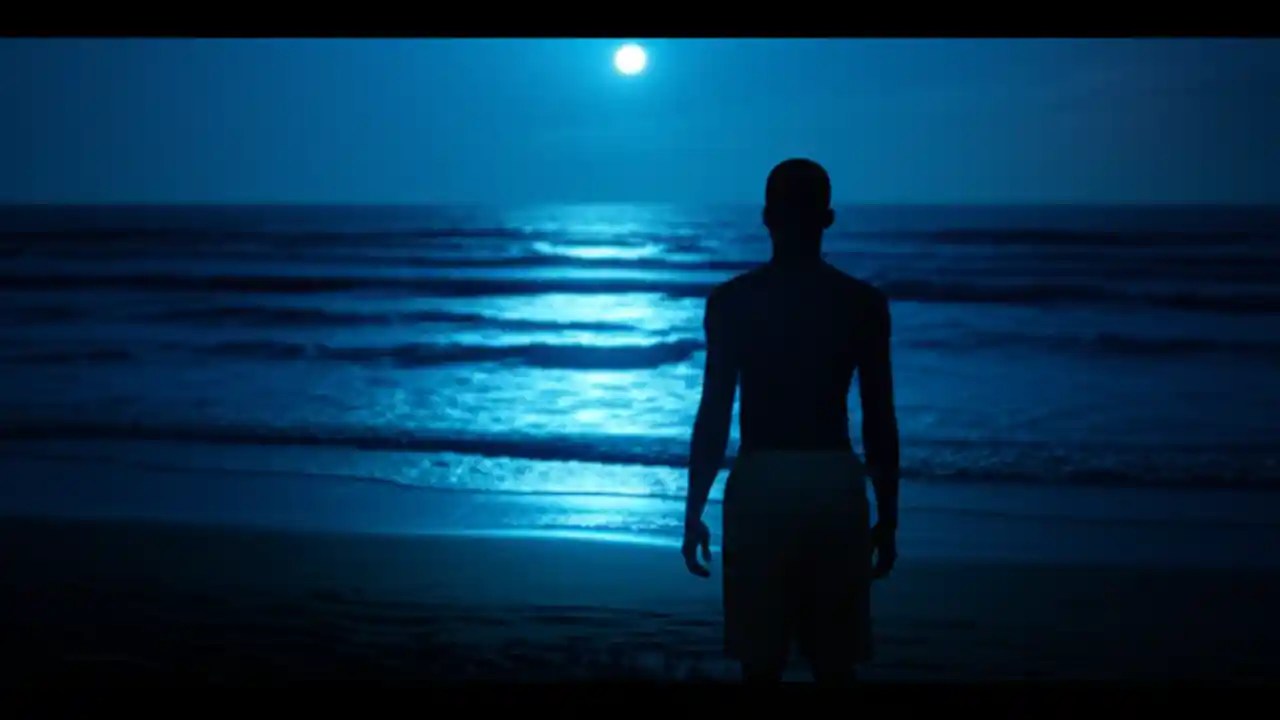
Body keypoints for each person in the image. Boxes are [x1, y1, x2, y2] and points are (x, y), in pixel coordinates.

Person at [681, 158, 900, 685]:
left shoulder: (732, 302)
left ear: (766, 217)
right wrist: (888, 515)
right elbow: (879, 418)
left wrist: (693, 510)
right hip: (834, 480)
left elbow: (714, 413)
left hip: (760, 481)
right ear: (828, 218)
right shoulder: (862, 304)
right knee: (835, 663)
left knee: (760, 665)